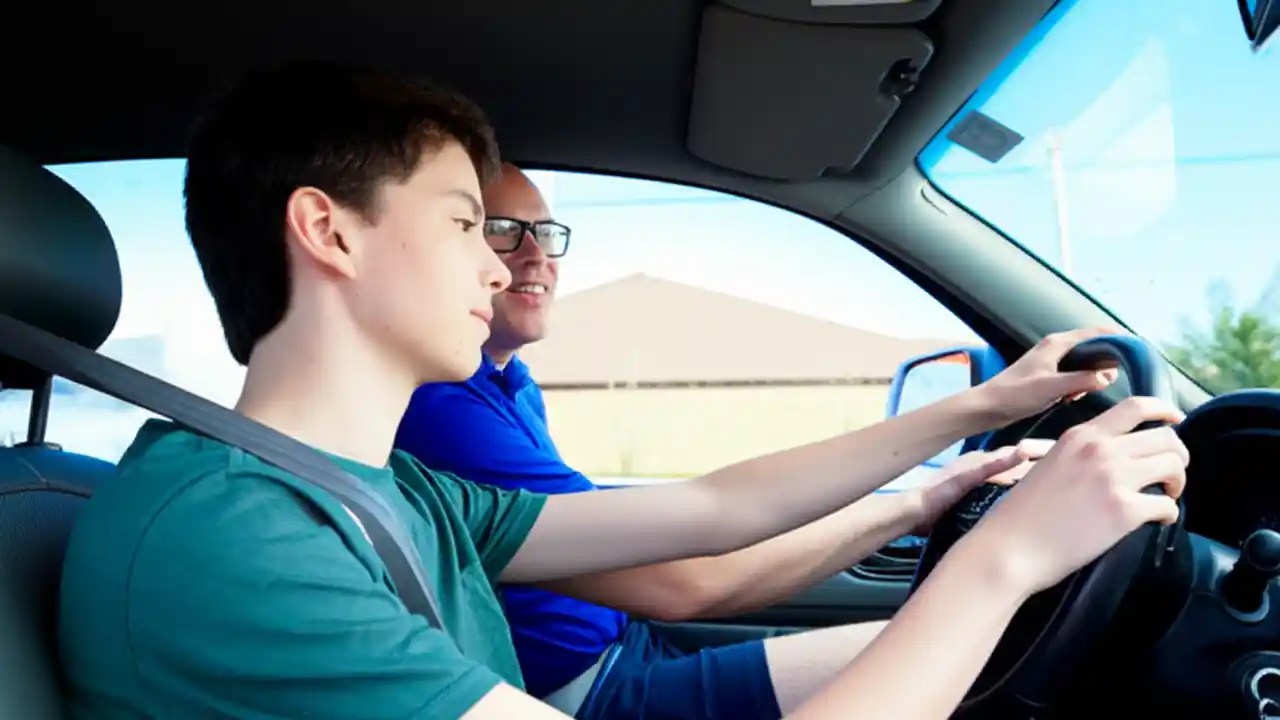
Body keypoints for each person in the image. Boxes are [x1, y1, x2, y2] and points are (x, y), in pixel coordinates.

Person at [57, 60, 1189, 720]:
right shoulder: (233, 538)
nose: (502, 265)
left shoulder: (389, 488)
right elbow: (698, 563)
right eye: (464, 224)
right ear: (328, 232)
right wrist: (1008, 559)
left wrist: (979, 411)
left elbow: (711, 515)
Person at [392, 163, 1060, 718]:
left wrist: (935, 488)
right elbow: (693, 578)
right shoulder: (438, 408)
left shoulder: (505, 386)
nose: (532, 255)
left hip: (625, 651)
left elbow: (718, 509)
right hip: (582, 692)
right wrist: (1002, 559)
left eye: (545, 231)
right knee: (978, 651)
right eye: (500, 231)